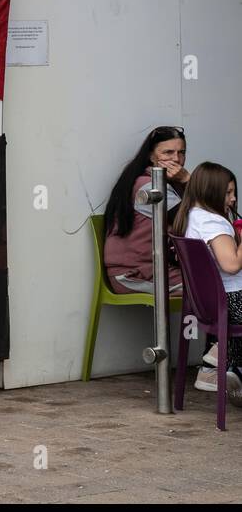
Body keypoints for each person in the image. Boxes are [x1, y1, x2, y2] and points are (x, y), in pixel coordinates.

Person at [171, 162, 242, 400]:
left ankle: (223, 367)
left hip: (207, 303)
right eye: (228, 192)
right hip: (235, 302)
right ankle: (226, 355)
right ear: (210, 191)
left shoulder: (191, 216)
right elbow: (231, 265)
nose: (232, 199)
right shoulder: (214, 222)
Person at [102, 126, 188, 296]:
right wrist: (188, 180)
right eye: (168, 152)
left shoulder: (168, 184)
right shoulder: (150, 186)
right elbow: (188, 221)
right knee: (214, 287)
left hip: (155, 269)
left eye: (181, 152)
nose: (176, 159)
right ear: (151, 156)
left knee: (225, 280)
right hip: (133, 273)